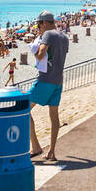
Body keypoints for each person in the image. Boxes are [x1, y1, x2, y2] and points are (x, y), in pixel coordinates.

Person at [29, 11, 69, 163]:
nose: (38, 29)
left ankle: (36, 146)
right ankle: (51, 151)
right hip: (58, 81)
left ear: (45, 23)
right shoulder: (64, 37)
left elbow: (40, 54)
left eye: (39, 25)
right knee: (54, 116)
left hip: (45, 80)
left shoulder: (48, 35)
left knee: (22, 109)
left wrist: (34, 50)